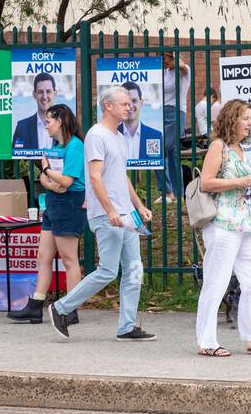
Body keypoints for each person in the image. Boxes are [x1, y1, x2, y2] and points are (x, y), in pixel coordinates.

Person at [48, 86, 155, 341]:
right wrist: (110, 211)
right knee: (108, 270)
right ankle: (60, 308)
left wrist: (138, 205)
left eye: (130, 103)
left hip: (126, 215)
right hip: (108, 215)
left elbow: (120, 177)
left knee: (134, 269)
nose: (129, 107)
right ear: (108, 106)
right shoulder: (97, 136)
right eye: (124, 103)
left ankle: (127, 326)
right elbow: (95, 178)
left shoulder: (118, 137)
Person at [194, 99, 251, 357]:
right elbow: (207, 183)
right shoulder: (218, 146)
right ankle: (207, 341)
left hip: (245, 224)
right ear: (232, 119)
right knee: (216, 282)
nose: (249, 123)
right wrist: (241, 180)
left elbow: (243, 186)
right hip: (222, 223)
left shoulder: (242, 150)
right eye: (246, 118)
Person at [10, 104, 85, 324]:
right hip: (54, 201)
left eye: (49, 121)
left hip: (69, 203)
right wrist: (50, 182)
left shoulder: (75, 146)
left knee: (69, 258)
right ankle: (36, 304)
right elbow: (47, 180)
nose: (46, 126)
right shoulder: (54, 146)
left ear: (60, 121)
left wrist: (47, 172)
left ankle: (70, 308)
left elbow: (67, 181)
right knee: (43, 255)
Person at [161, 53, 190, 203]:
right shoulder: (164, 73)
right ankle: (177, 194)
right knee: (172, 154)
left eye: (165, 58)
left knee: (159, 149)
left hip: (176, 112)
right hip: (161, 112)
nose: (163, 61)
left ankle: (167, 191)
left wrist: (175, 55)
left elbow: (182, 65)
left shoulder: (184, 71)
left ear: (173, 57)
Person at [117, 80, 163, 161]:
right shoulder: (111, 134)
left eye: (134, 101)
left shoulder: (155, 135)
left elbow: (155, 163)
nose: (130, 106)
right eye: (125, 102)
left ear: (141, 103)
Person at [12, 72, 57, 151]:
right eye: (40, 92)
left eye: (48, 91)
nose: (45, 96)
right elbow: (16, 160)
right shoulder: (22, 128)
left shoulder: (65, 126)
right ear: (34, 94)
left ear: (55, 93)